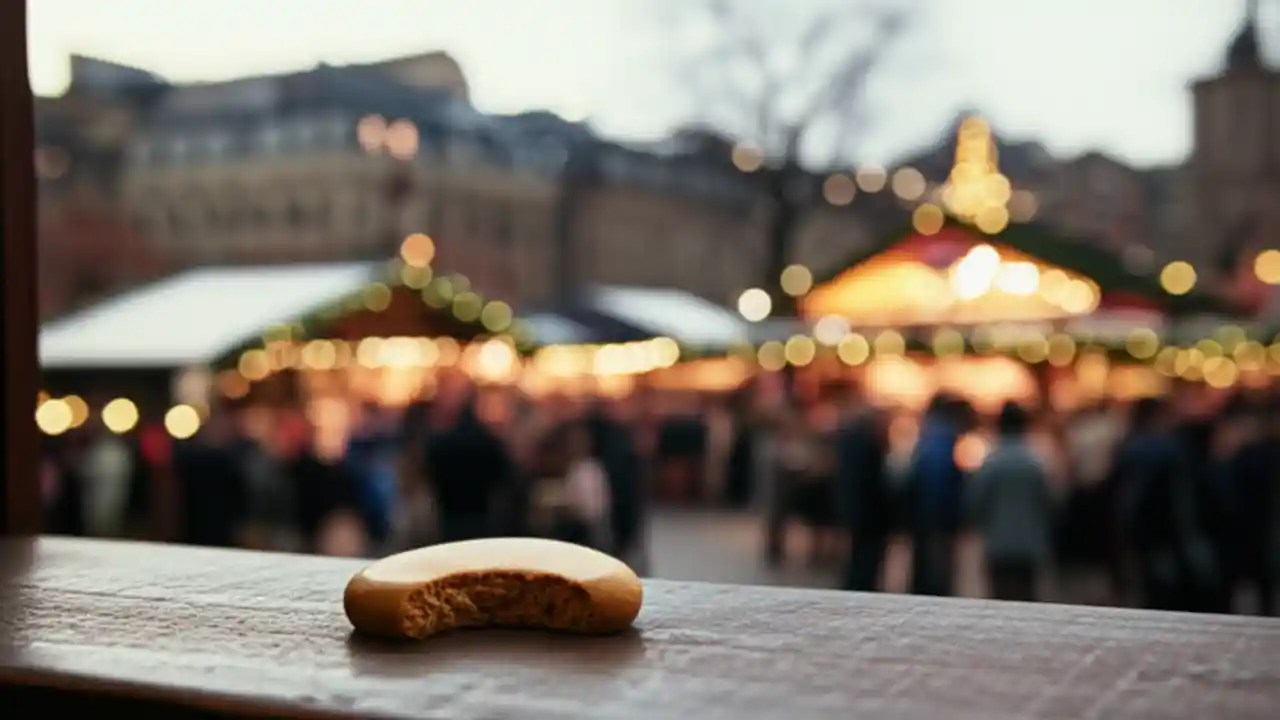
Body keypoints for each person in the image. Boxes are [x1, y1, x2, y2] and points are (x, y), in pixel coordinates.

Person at [969, 402, 1052, 602]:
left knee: (1000, 600)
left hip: (999, 543)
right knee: (1026, 600)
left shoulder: (992, 463)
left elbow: (976, 502)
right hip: (1029, 543)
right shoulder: (1034, 463)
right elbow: (1048, 504)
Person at [424, 395, 512, 542]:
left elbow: (429, 471)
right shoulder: (489, 442)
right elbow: (504, 475)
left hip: (449, 514)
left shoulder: (441, 443)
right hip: (481, 513)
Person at [907, 394, 968, 596]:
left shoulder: (929, 436)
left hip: (926, 516)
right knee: (938, 570)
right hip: (937, 518)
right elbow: (940, 481)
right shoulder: (943, 439)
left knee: (928, 567)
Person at [836, 398, 890, 592]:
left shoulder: (850, 438)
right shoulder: (867, 442)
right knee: (864, 556)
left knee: (858, 553)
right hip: (868, 511)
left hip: (858, 508)